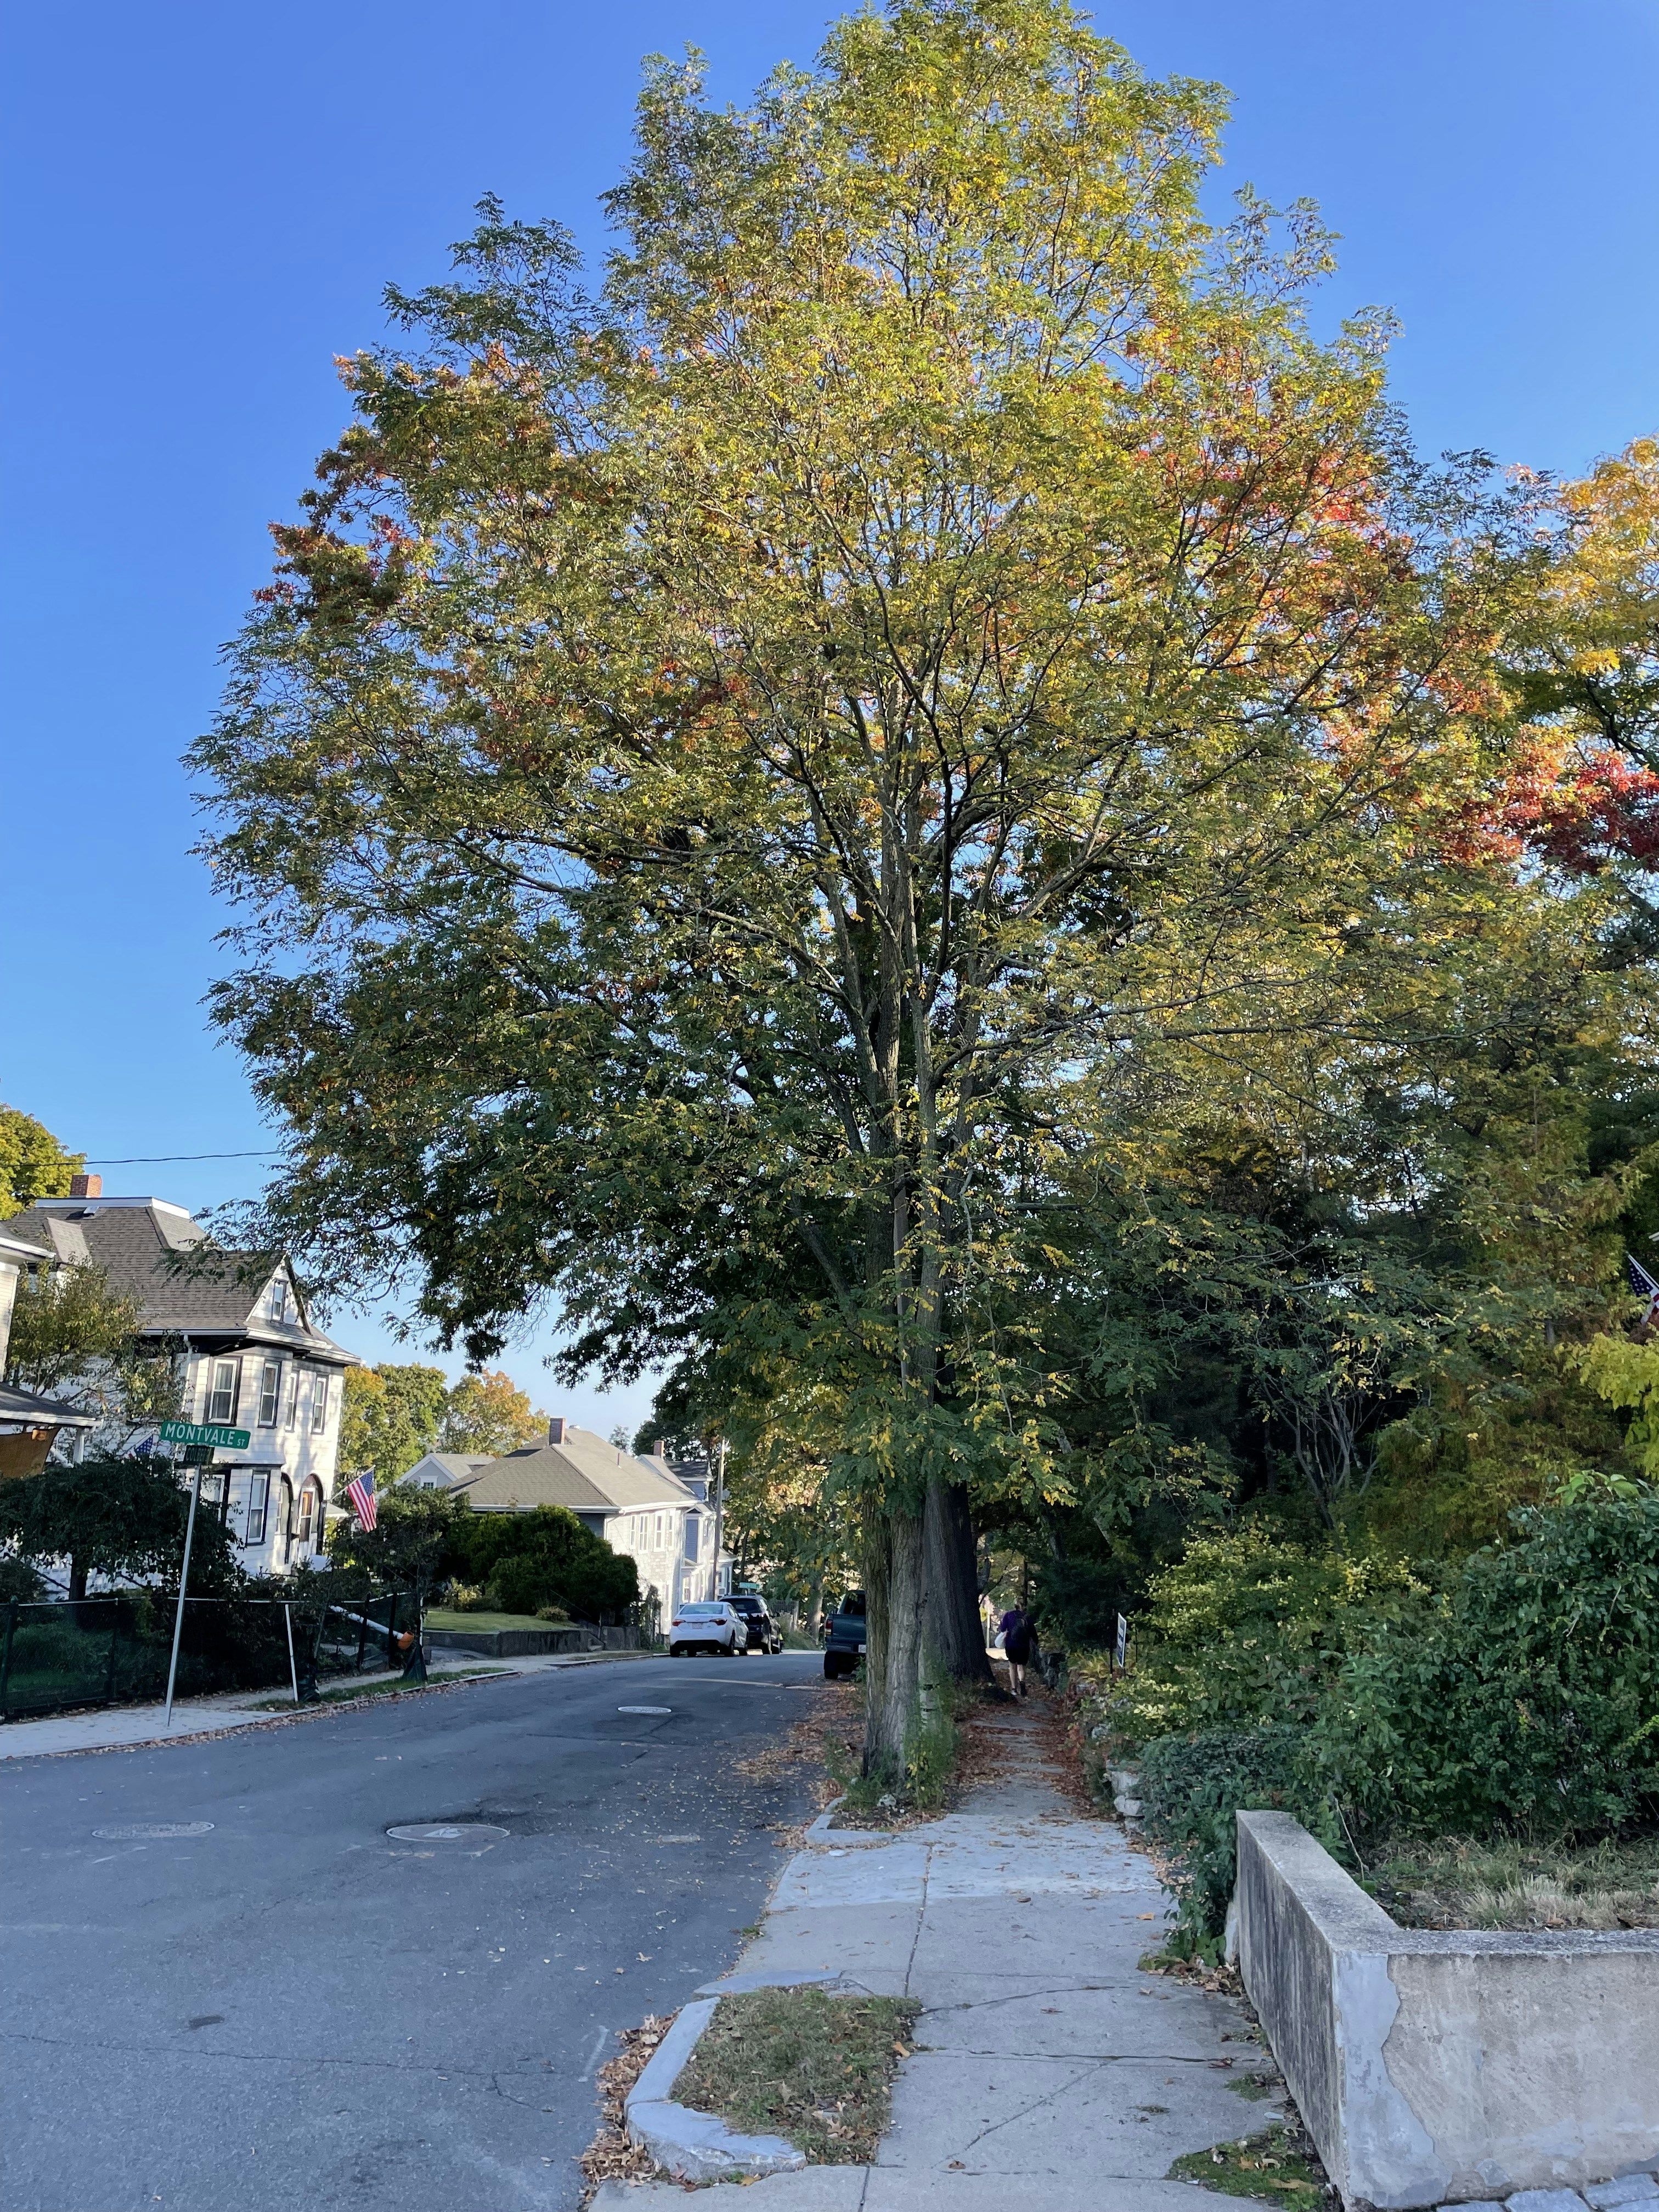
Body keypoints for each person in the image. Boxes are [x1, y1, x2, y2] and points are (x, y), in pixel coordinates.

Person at [998, 1604, 1034, 1697]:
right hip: (1024, 1645)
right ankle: (1022, 1682)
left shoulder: (1008, 1615)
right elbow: (1033, 1631)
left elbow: (1002, 1629)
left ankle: (1014, 1689)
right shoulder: (1026, 1616)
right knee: (1021, 1666)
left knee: (1012, 1667)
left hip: (1011, 1645)